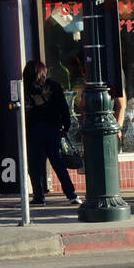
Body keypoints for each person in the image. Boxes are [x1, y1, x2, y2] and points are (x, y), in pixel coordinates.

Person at [23, 60, 81, 206]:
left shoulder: (25, 89)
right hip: (52, 129)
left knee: (35, 164)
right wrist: (65, 126)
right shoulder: (54, 86)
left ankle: (39, 196)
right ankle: (71, 194)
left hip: (33, 130)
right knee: (57, 162)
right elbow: (63, 107)